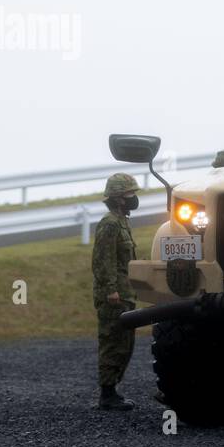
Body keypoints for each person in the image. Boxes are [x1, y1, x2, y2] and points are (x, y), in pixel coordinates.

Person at [92, 172, 140, 410]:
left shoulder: (122, 222)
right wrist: (110, 290)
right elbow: (103, 261)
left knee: (125, 344)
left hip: (125, 294)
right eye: (131, 194)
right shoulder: (110, 224)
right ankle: (107, 394)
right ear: (119, 198)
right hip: (114, 296)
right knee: (112, 342)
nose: (134, 198)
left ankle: (113, 391)